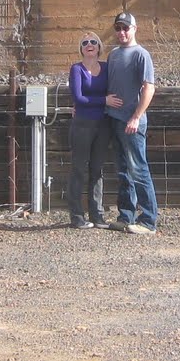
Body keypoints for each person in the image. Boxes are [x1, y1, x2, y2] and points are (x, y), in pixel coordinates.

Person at [103, 11, 158, 234]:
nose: (122, 32)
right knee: (124, 170)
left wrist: (136, 117)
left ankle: (148, 221)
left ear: (134, 29)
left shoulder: (141, 55)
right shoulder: (113, 55)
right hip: (115, 120)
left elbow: (149, 88)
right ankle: (126, 216)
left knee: (139, 169)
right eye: (118, 28)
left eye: (126, 28)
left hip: (132, 123)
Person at [65, 32, 110, 229]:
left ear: (99, 48)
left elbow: (115, 89)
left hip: (103, 124)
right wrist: (104, 101)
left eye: (94, 42)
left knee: (97, 169)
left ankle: (97, 214)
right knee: (79, 169)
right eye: (85, 43)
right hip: (82, 124)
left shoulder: (107, 68)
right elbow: (79, 98)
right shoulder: (77, 69)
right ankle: (76, 216)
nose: (89, 45)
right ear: (81, 49)